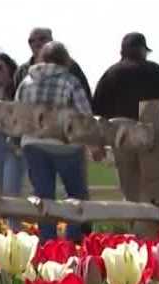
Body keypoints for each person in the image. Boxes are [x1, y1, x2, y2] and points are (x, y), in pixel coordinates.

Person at [15, 42, 98, 242]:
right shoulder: (70, 81)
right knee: (76, 196)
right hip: (65, 146)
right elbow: (84, 116)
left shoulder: (26, 82)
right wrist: (94, 144)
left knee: (43, 198)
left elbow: (16, 113)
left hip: (33, 144)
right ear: (66, 60)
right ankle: (73, 242)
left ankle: (47, 243)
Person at [92, 32, 159, 202]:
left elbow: (97, 108)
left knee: (130, 185)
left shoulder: (112, 73)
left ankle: (135, 221)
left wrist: (104, 135)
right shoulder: (157, 72)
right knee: (155, 183)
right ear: (143, 50)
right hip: (152, 134)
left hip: (121, 135)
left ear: (122, 51)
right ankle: (157, 223)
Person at [0, 52, 25, 230]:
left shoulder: (19, 89)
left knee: (12, 189)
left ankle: (14, 232)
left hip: (13, 143)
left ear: (9, 68)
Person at [13, 27, 92, 99]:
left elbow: (85, 98)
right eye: (31, 41)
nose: (36, 43)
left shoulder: (70, 66)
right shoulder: (22, 71)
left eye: (42, 39)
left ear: (51, 40)